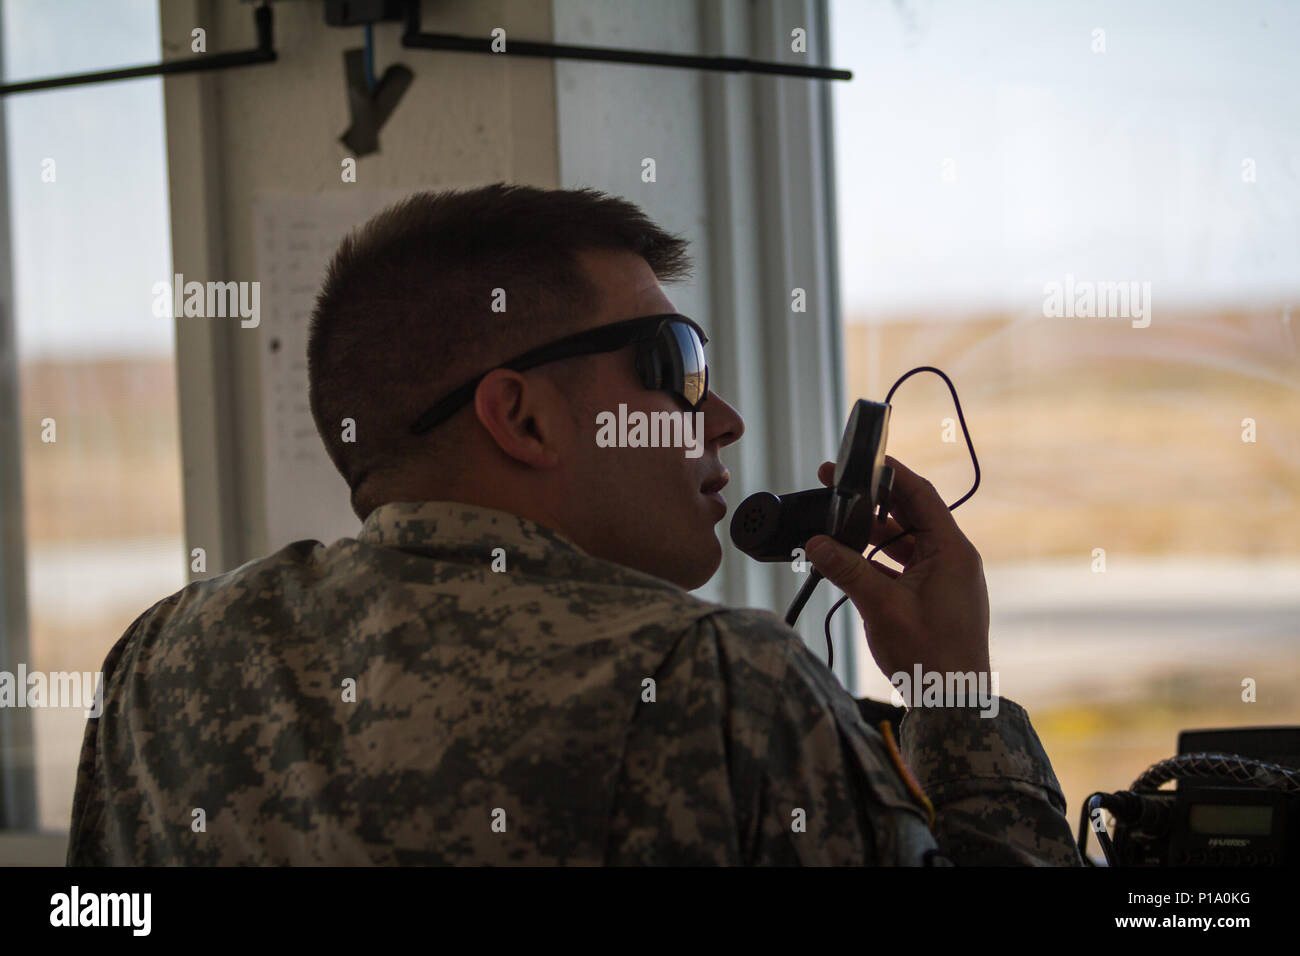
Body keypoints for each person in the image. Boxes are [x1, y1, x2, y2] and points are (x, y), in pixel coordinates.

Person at [68, 183, 1082, 865]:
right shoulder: (722, 677)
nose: (722, 418)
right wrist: (955, 688)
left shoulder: (160, 659)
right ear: (520, 415)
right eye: (676, 364)